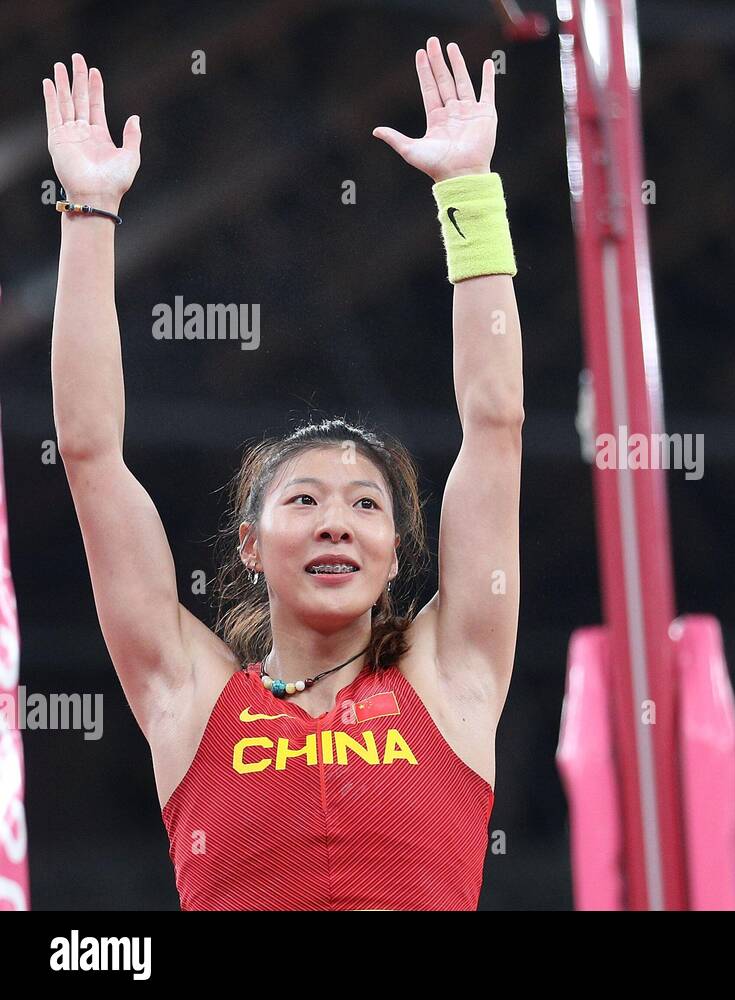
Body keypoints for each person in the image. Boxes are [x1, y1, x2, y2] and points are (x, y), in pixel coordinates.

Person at [43, 37, 522, 909]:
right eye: (303, 500)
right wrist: (88, 210)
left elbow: (496, 426)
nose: (335, 520)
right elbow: (89, 453)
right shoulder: (187, 697)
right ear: (251, 546)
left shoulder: (452, 674)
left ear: (393, 550)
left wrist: (469, 192)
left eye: (364, 505)